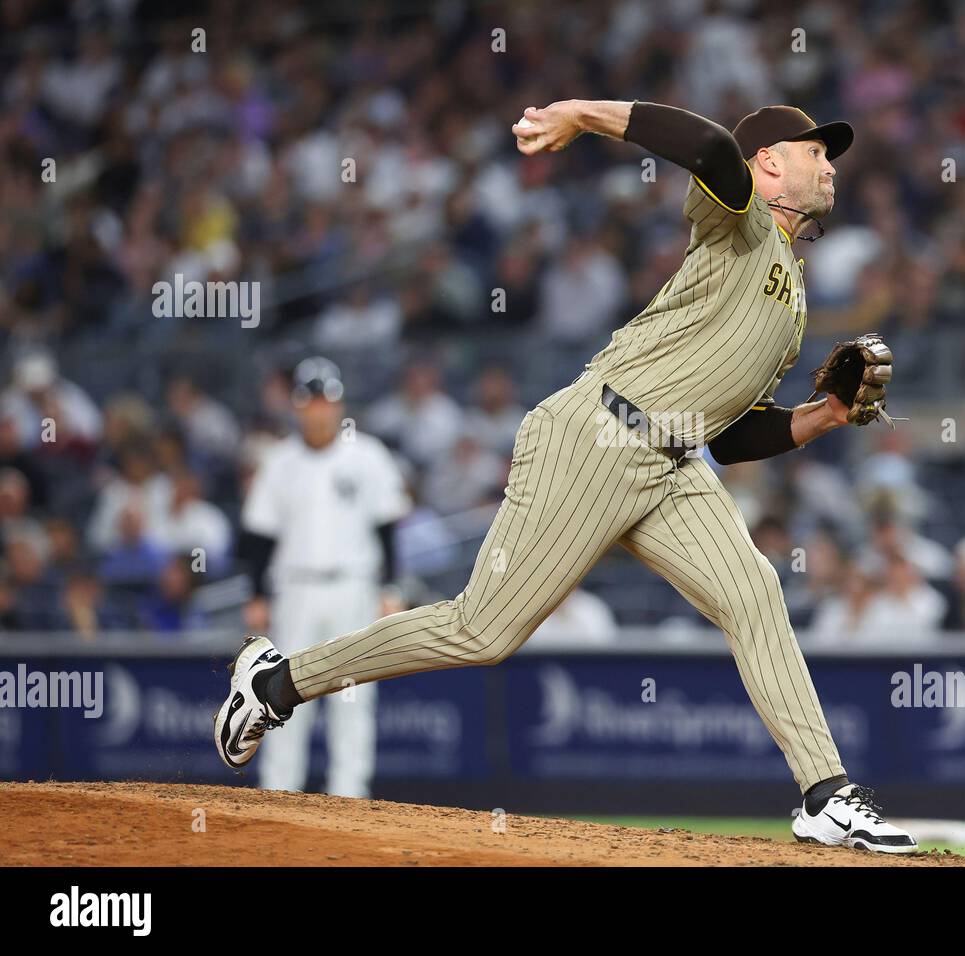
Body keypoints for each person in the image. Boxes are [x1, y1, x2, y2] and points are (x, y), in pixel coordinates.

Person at [216, 101, 917, 853]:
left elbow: (735, 434)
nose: (831, 163)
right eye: (816, 151)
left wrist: (823, 416)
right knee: (480, 631)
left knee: (755, 592)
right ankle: (278, 682)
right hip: (598, 434)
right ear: (770, 163)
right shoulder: (739, 220)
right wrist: (584, 115)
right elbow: (712, 146)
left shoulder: (793, 294)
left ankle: (824, 795)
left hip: (675, 460)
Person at [234, 357, 409, 798]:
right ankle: (278, 794)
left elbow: (387, 528)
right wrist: (256, 594)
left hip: (354, 586)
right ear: (296, 407)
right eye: (309, 401)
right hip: (294, 588)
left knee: (353, 698)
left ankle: (349, 796)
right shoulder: (278, 460)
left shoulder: (366, 454)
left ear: (338, 404)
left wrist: (391, 587)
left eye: (325, 401)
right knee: (281, 694)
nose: (317, 410)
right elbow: (258, 536)